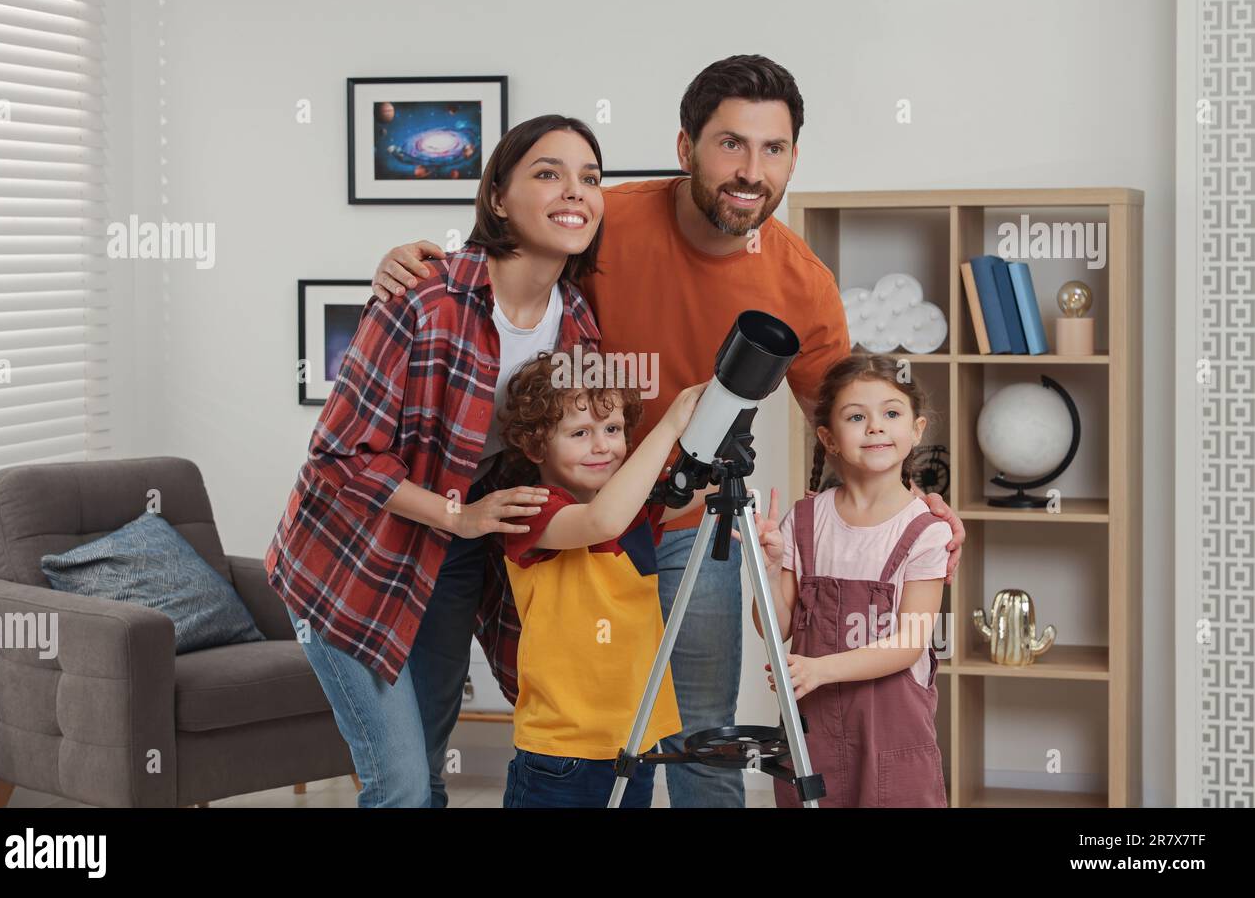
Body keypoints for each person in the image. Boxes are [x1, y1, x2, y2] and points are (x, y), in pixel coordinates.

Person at [370, 55, 966, 807]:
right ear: (686, 149)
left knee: (701, 734)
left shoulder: (799, 281)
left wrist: (920, 500)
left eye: (773, 150)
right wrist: (410, 260)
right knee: (572, 728)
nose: (752, 171)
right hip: (565, 519)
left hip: (689, 521)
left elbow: (850, 420)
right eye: (731, 145)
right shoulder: (605, 223)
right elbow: (498, 271)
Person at [264, 114, 609, 807]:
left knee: (424, 769)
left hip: (455, 557)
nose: (574, 190)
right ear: (498, 199)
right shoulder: (425, 296)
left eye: (590, 178)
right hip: (352, 560)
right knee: (401, 786)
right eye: (548, 173)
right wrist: (464, 511)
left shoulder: (578, 326)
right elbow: (337, 454)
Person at [494, 353, 711, 807]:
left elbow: (699, 491)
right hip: (560, 751)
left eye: (612, 429)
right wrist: (669, 426)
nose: (603, 446)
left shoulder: (630, 510)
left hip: (633, 742)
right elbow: (600, 520)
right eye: (580, 433)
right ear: (535, 448)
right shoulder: (531, 510)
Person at [750, 353, 952, 807]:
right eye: (856, 416)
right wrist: (767, 567)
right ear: (829, 438)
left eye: (892, 413)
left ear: (916, 430)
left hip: (892, 735)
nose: (876, 426)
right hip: (813, 732)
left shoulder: (925, 531)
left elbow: (910, 643)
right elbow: (775, 628)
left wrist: (821, 670)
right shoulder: (803, 522)